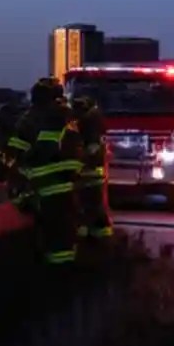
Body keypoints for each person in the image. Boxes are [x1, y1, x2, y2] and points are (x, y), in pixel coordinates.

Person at [11, 78, 83, 266]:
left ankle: (54, 277)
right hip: (69, 185)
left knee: (51, 237)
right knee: (67, 234)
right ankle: (70, 275)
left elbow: (17, 154)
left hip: (44, 187)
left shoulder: (29, 120)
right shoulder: (68, 117)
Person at [71, 95, 113, 246]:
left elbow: (90, 151)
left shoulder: (89, 125)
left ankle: (85, 244)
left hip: (86, 177)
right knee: (97, 212)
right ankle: (103, 243)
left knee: (84, 212)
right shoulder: (95, 122)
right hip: (94, 176)